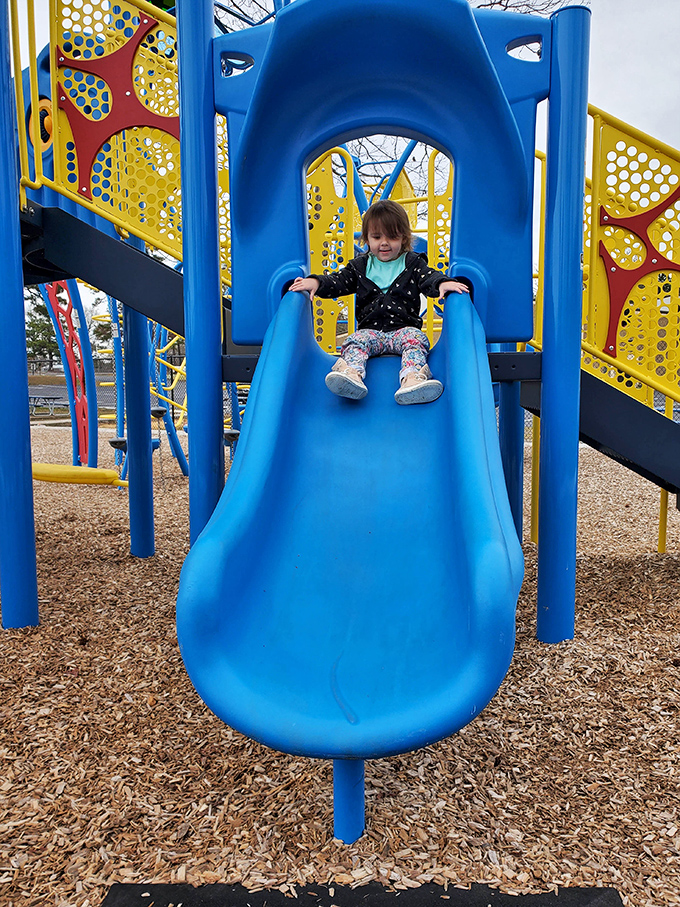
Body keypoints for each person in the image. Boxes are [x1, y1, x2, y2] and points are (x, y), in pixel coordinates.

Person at [290, 199, 470, 404]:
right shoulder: (360, 267)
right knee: (355, 341)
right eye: (376, 237)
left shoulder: (412, 263)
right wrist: (316, 282)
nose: (384, 243)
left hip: (403, 330)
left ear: (404, 238)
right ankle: (352, 375)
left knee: (416, 339)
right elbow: (338, 282)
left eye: (392, 237)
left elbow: (428, 277)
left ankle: (411, 379)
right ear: (366, 238)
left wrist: (442, 284)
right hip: (371, 333)